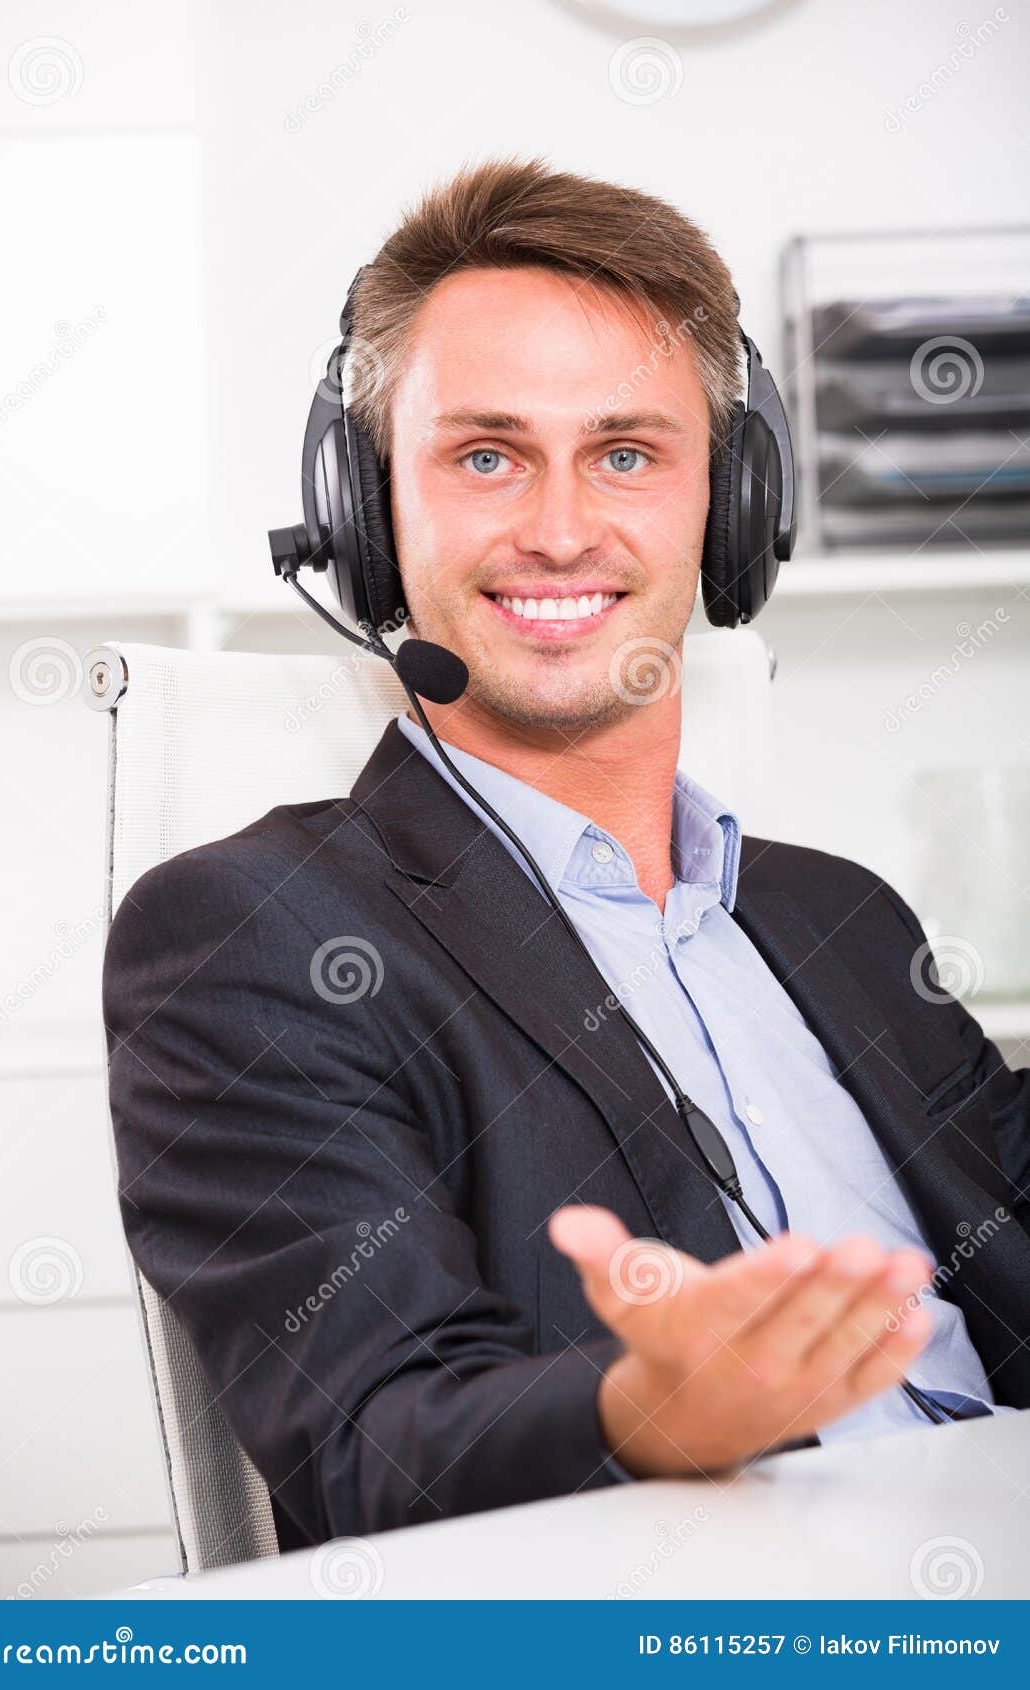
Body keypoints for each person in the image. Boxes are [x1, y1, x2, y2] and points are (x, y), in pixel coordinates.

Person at [103, 158, 1030, 1552]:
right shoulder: (250, 936)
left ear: (731, 511)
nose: (555, 527)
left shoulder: (837, 914)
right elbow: (379, 1440)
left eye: (627, 452)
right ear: (368, 515)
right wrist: (653, 1406)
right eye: (484, 454)